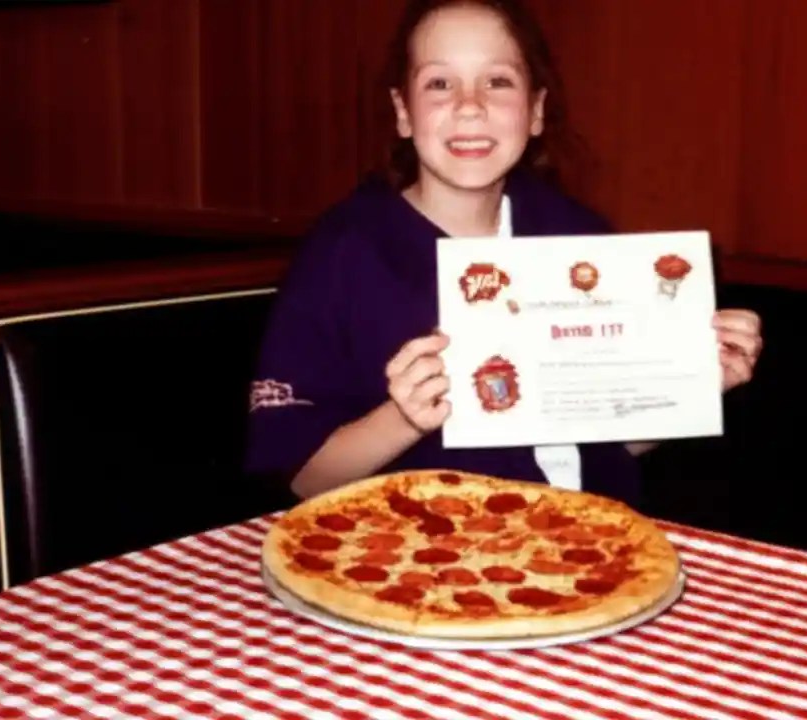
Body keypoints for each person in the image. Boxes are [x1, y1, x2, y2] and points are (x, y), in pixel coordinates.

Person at [245, 0, 762, 509]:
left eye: (497, 81)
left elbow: (601, 448)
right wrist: (404, 417)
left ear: (536, 111)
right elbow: (303, 480)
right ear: (403, 112)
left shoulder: (577, 238)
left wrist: (690, 383)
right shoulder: (342, 254)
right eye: (440, 83)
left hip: (589, 545)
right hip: (419, 557)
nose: (470, 105)